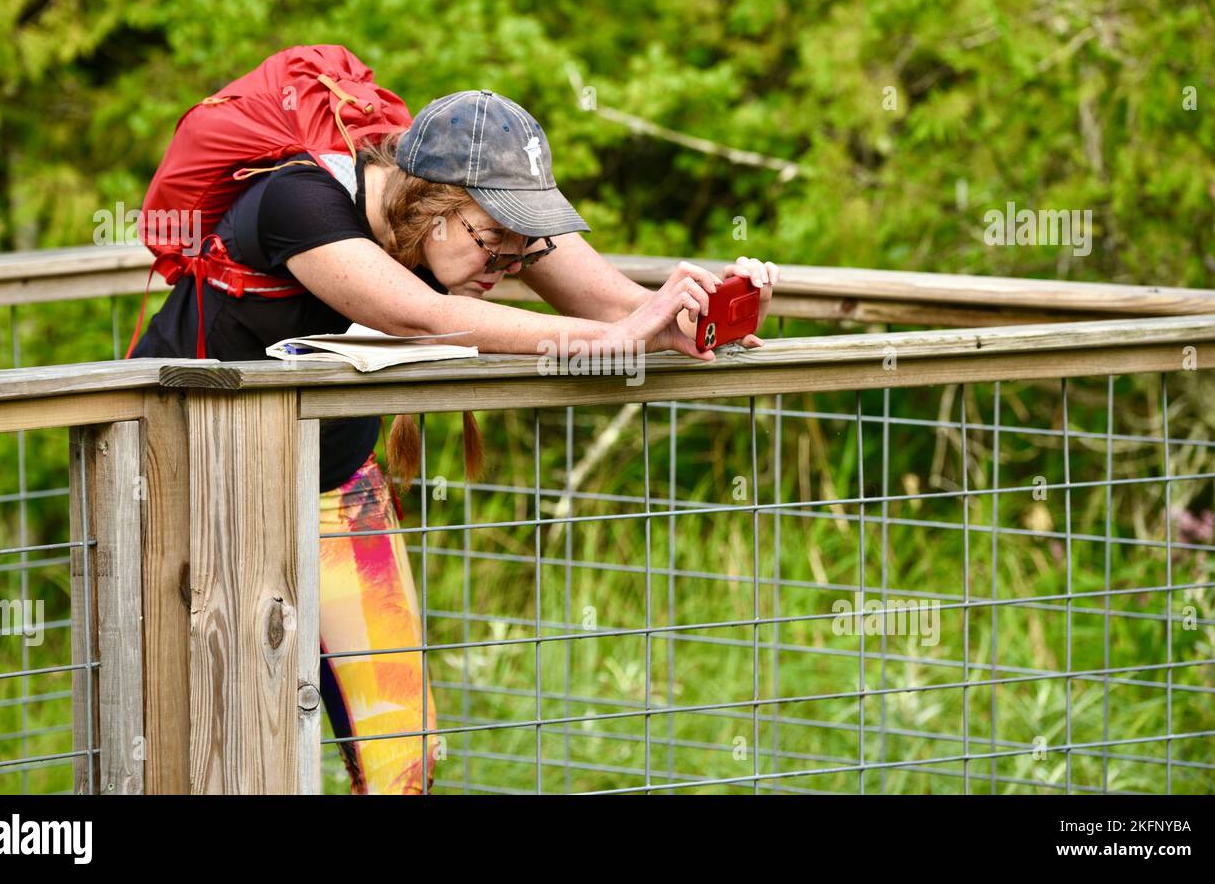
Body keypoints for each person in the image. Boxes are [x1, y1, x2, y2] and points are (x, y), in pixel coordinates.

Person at [128, 88, 780, 793]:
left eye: (521, 249)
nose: (504, 266)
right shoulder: (300, 201)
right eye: (492, 243)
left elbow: (623, 309)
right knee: (214, 755)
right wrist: (616, 336)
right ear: (433, 205)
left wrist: (705, 318)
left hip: (333, 482)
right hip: (190, 481)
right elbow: (426, 319)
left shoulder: (469, 220)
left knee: (403, 756)